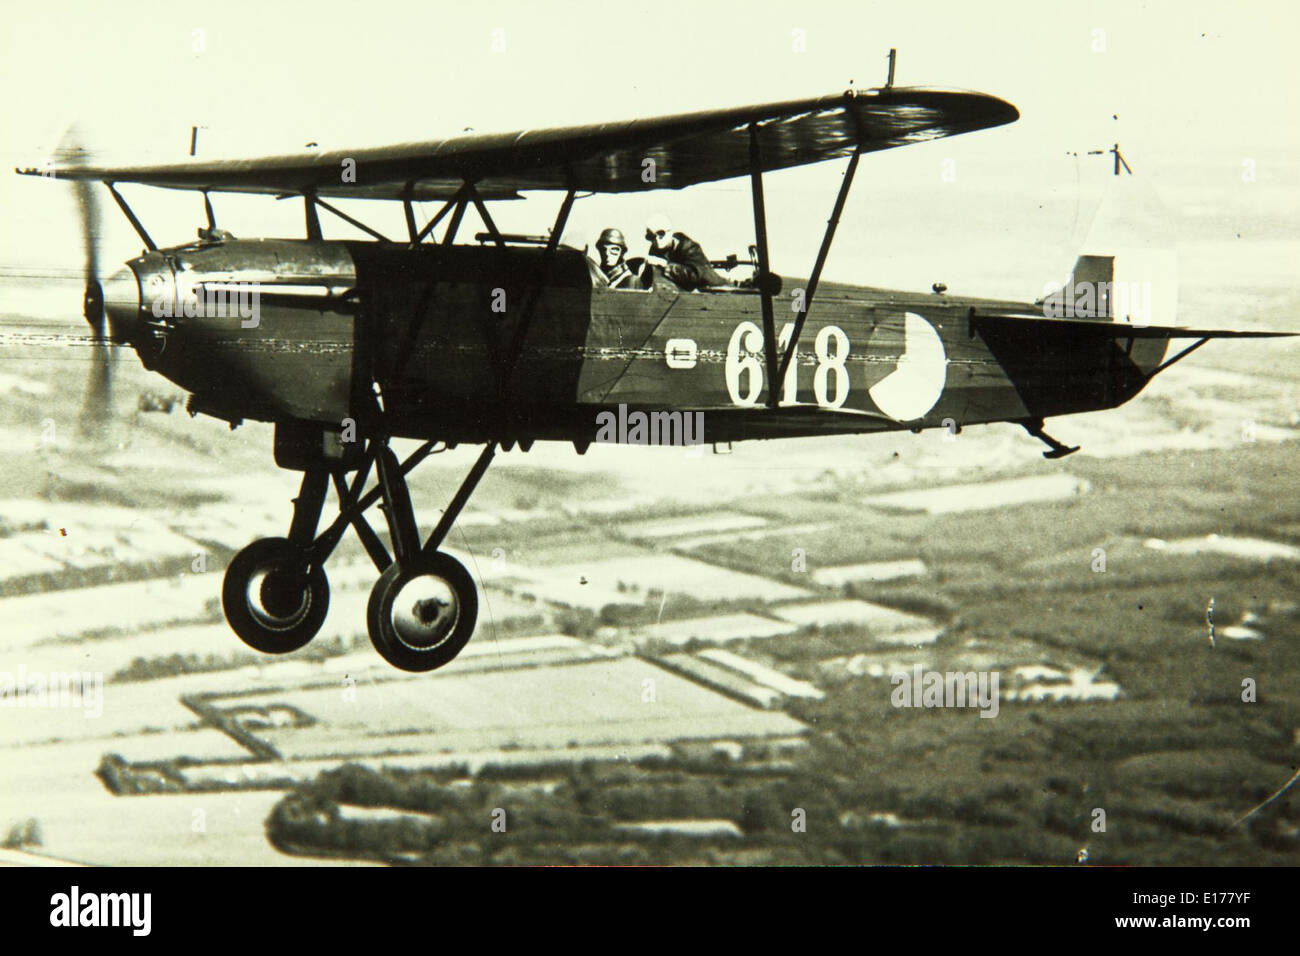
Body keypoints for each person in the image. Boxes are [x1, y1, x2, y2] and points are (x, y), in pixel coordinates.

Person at [643, 214, 728, 291]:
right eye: (652, 237)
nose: (657, 239)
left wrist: (666, 265)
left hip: (712, 291)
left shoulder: (690, 247)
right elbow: (651, 280)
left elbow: (697, 276)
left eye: (661, 234)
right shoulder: (655, 249)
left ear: (669, 232)